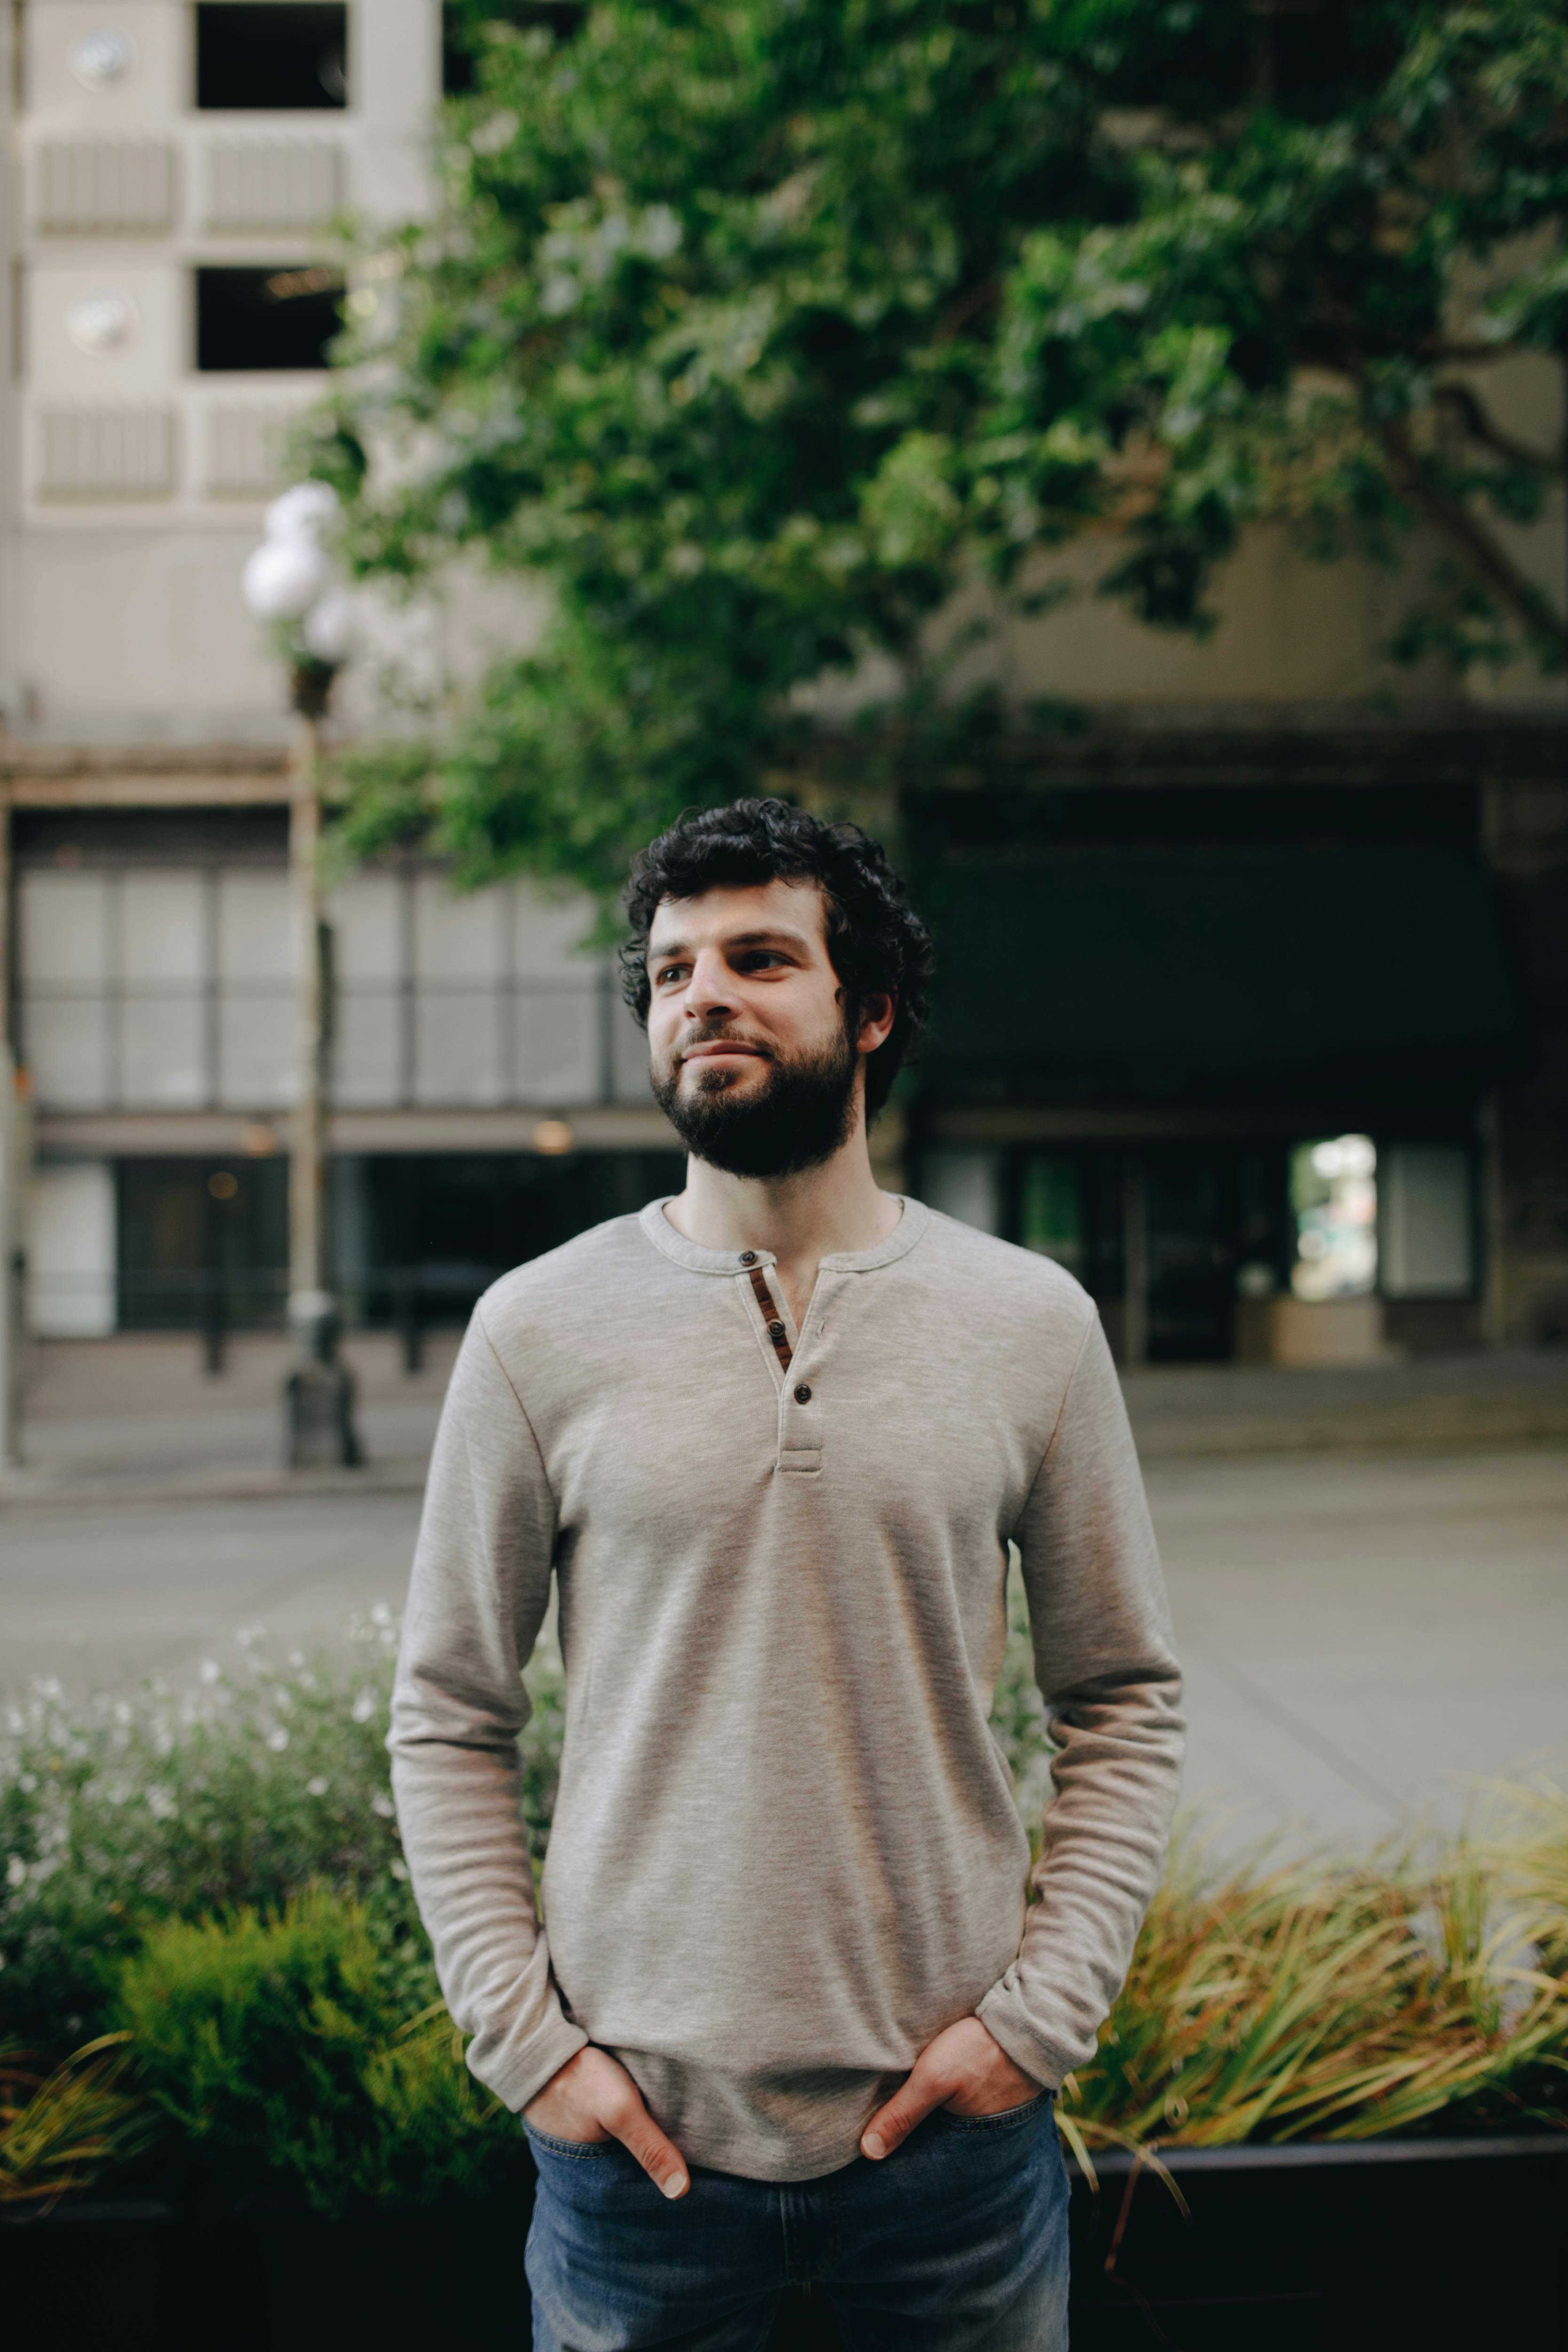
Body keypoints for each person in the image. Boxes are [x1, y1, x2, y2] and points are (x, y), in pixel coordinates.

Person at [390, 799, 1185, 2350]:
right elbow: (447, 1712)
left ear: (870, 1011)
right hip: (638, 2167)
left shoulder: (1031, 1324)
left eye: (761, 957)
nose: (704, 994)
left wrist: (1037, 2024)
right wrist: (530, 2051)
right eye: (673, 970)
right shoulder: (535, 1330)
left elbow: (1124, 1696)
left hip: (955, 2146)